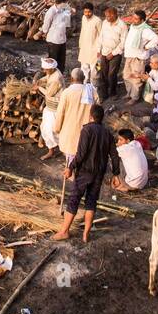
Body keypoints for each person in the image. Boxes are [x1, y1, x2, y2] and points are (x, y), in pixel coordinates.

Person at [54, 103, 115, 243]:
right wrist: (116, 173)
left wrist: (70, 166)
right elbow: (114, 155)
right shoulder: (108, 134)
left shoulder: (87, 130)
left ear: (91, 116)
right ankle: (86, 234)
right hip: (99, 173)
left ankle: (64, 231)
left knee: (74, 199)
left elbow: (81, 154)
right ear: (102, 117)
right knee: (91, 201)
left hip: (85, 172)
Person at [54, 68, 96, 162]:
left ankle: (71, 174)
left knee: (71, 159)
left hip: (70, 131)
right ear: (84, 78)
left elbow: (60, 113)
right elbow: (98, 110)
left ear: (71, 79)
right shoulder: (91, 91)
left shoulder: (66, 93)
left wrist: (57, 128)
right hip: (88, 130)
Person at [95, 5, 127, 102]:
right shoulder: (105, 23)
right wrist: (98, 50)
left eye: (109, 16)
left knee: (112, 74)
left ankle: (113, 93)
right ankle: (104, 94)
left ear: (115, 15)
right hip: (104, 52)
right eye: (106, 16)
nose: (107, 18)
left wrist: (113, 53)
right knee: (102, 73)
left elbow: (123, 42)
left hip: (115, 54)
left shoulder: (122, 25)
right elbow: (101, 37)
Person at [37, 57, 63, 161]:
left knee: (53, 130)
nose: (44, 71)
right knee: (45, 128)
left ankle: (59, 150)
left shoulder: (56, 79)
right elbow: (47, 77)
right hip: (50, 108)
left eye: (45, 69)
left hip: (55, 109)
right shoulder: (54, 72)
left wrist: (38, 87)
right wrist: (40, 81)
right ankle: (52, 150)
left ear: (51, 69)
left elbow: (48, 94)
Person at [110, 127, 149, 192]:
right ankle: (127, 186)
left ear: (128, 141)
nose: (118, 142)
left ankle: (120, 183)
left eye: (120, 140)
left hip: (132, 184)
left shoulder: (125, 149)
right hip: (143, 183)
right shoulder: (137, 143)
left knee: (115, 159)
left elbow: (111, 151)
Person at [41, 0, 72, 73]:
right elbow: (46, 26)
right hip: (53, 40)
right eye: (66, 2)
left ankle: (60, 75)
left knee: (61, 60)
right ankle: (51, 76)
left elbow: (67, 23)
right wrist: (44, 32)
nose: (67, 3)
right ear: (62, 2)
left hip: (62, 39)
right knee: (53, 61)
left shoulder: (65, 9)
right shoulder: (51, 11)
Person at [76, 2, 100, 84]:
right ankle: (83, 87)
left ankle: (95, 89)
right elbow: (82, 32)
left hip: (95, 51)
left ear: (93, 11)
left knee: (96, 70)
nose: (87, 14)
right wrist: (80, 45)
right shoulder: (83, 18)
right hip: (84, 48)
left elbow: (102, 35)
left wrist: (100, 50)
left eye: (89, 12)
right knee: (84, 69)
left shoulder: (97, 20)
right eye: (85, 12)